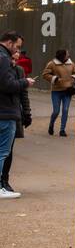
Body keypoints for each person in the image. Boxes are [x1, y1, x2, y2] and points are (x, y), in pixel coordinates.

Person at [0, 32, 31, 198]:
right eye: (17, 47)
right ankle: (1, 184)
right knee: (4, 151)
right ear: (10, 43)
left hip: (12, 112)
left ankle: (4, 181)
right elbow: (8, 85)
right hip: (6, 112)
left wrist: (27, 113)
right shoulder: (3, 60)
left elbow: (23, 97)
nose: (17, 52)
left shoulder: (18, 69)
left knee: (6, 151)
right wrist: (25, 82)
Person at [42, 48, 75, 137]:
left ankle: (62, 130)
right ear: (62, 55)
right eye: (67, 54)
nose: (68, 55)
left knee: (65, 110)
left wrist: (73, 78)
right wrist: (54, 79)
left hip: (67, 91)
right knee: (56, 111)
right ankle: (51, 124)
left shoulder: (71, 63)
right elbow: (45, 74)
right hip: (56, 91)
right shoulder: (52, 64)